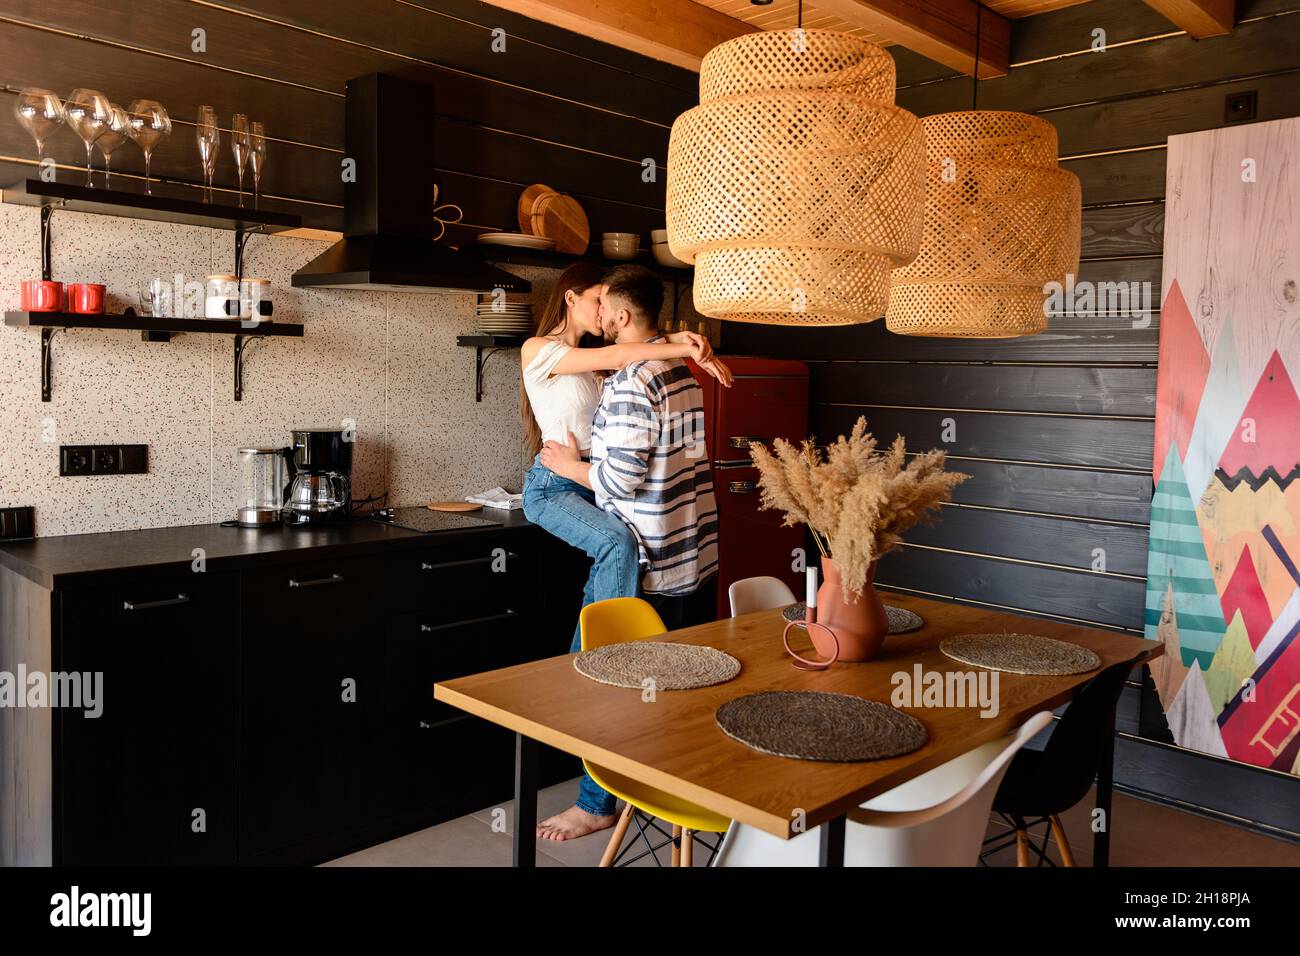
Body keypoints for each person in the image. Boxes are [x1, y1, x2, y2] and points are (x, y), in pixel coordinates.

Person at [518, 262, 732, 842]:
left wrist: (674, 346)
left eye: (608, 303)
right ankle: (596, 665)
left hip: (598, 485)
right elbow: (622, 357)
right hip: (559, 486)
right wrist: (681, 345)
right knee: (617, 548)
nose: (601, 311)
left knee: (610, 617)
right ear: (573, 299)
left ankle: (584, 669)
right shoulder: (542, 349)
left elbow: (630, 455)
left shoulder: (636, 371)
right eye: (595, 299)